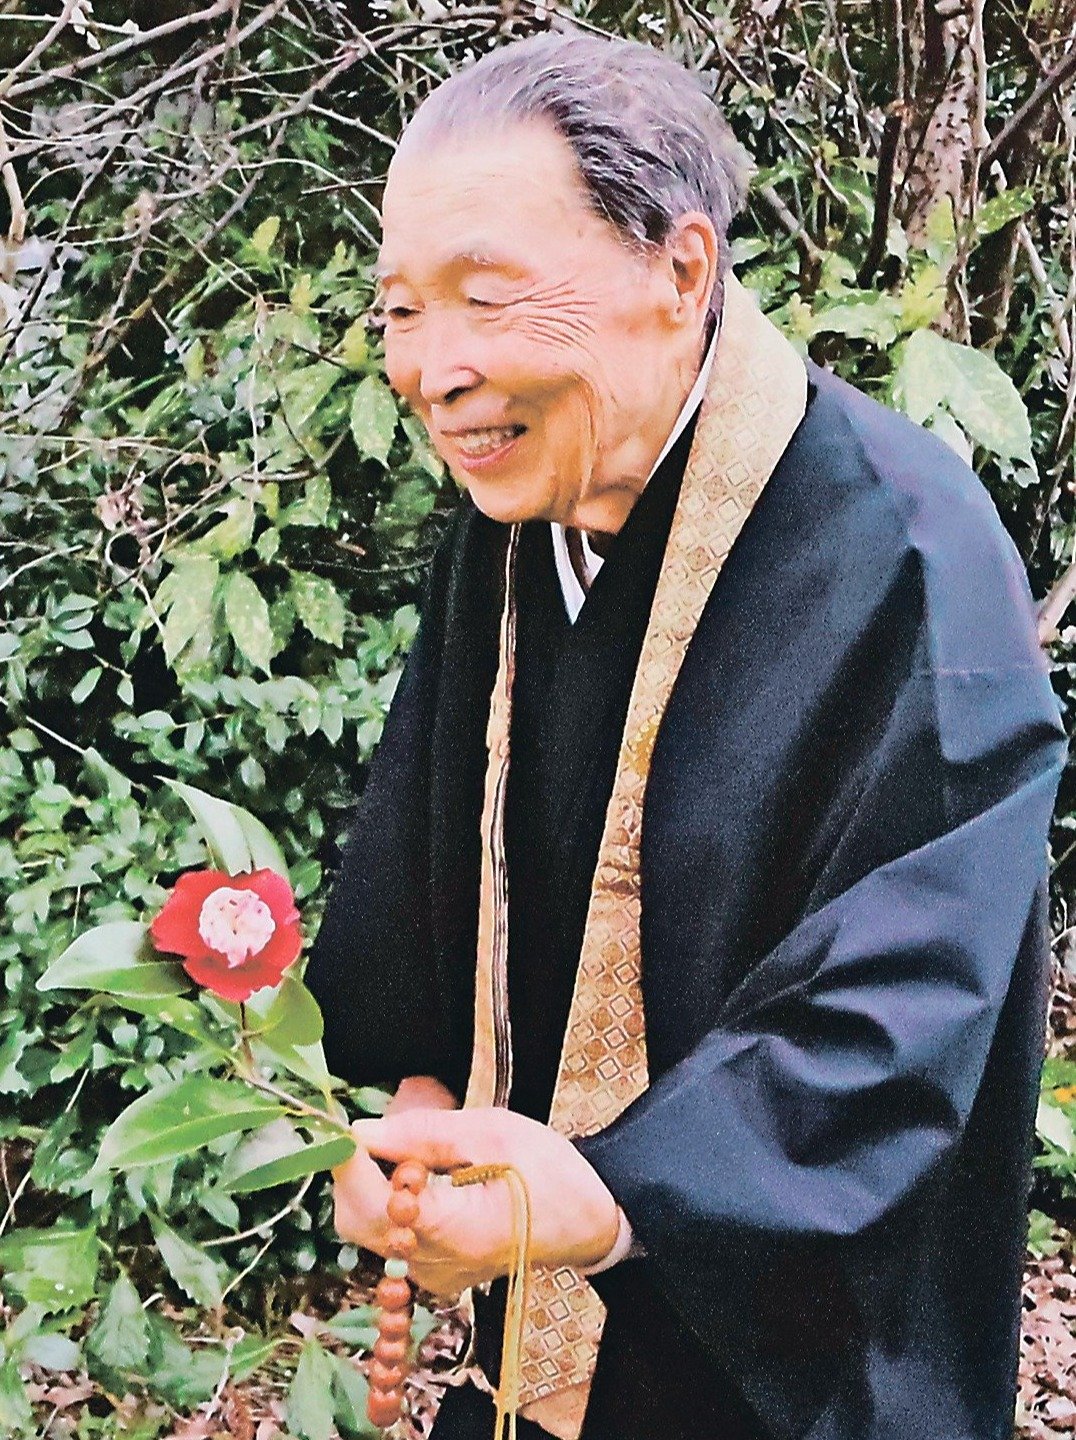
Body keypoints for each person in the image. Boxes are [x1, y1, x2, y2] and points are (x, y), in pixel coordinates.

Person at [304, 30, 1067, 1440]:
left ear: (682, 271)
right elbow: (427, 877)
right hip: (527, 1329)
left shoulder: (910, 558)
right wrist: (409, 1126)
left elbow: (902, 1012)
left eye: (488, 297)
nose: (436, 368)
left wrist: (597, 1199)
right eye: (402, 311)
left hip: (796, 1364)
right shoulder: (515, 522)